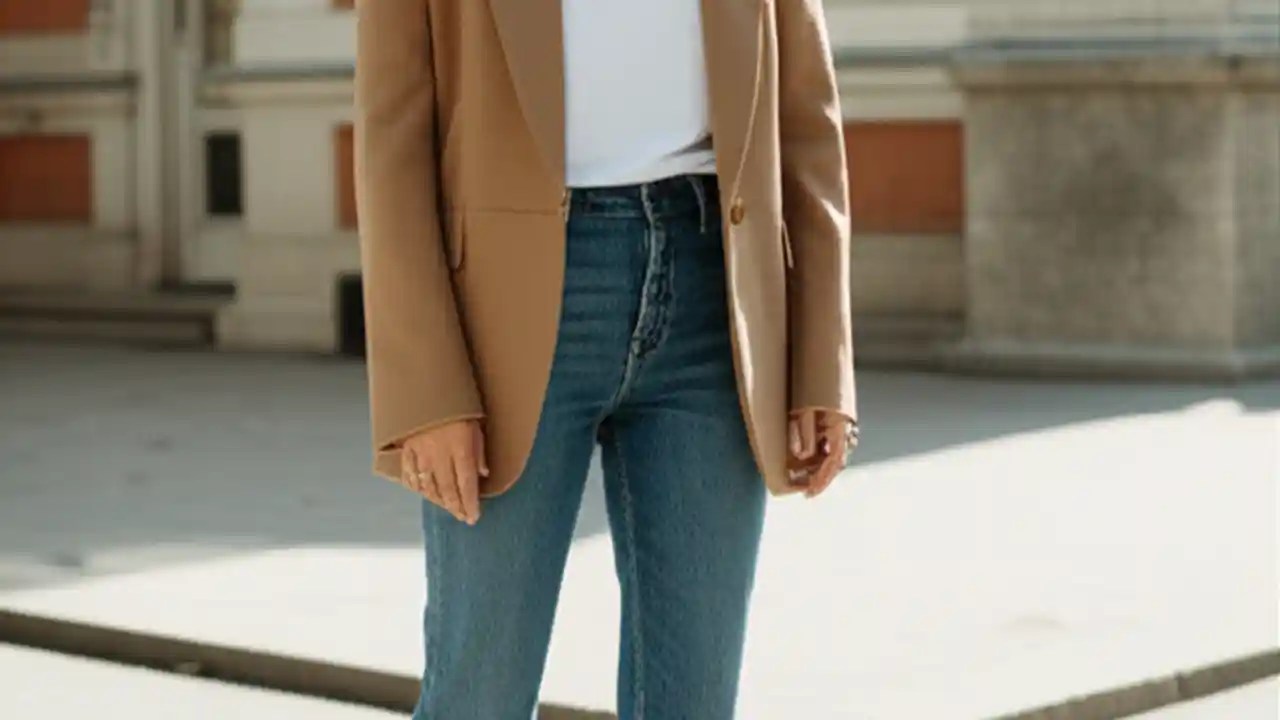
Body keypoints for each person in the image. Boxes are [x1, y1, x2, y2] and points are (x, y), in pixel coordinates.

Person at [352, 0, 859, 717]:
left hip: (714, 289)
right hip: (505, 306)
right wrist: (427, 387)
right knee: (480, 694)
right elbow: (391, 137)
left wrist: (819, 354)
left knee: (693, 701)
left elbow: (807, 111)